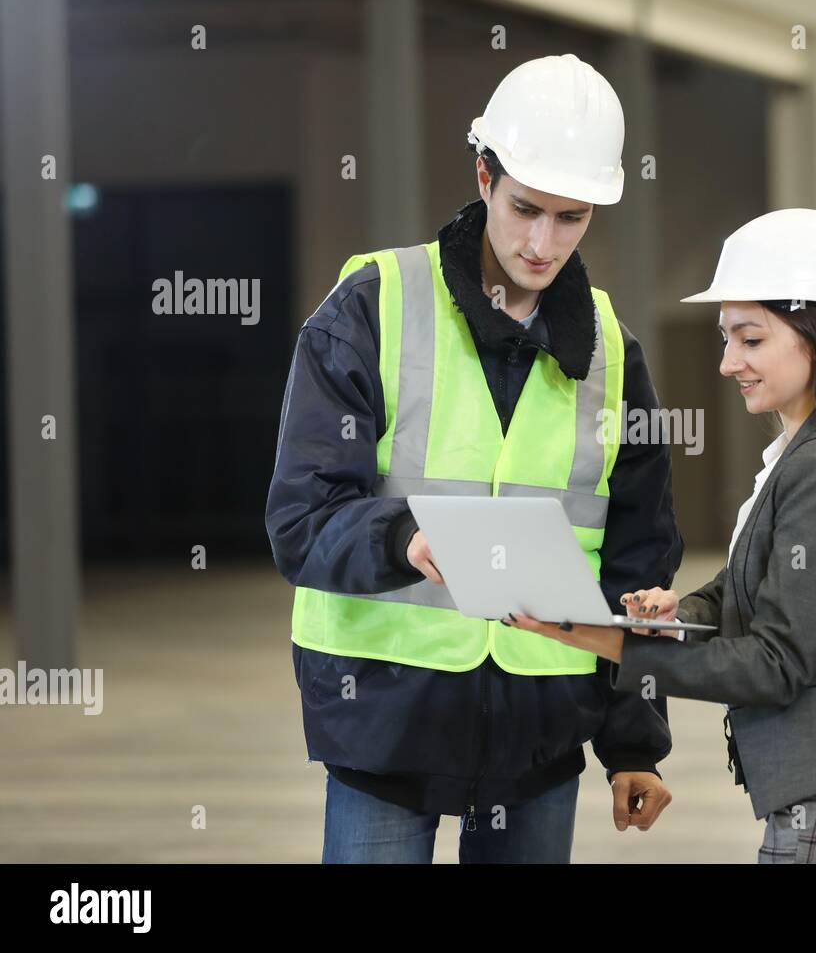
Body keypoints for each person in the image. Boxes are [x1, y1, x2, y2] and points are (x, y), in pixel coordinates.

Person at [265, 54, 681, 863]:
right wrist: (403, 541)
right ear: (484, 174)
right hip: (384, 718)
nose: (541, 242)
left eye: (572, 217)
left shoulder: (611, 351)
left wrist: (634, 740)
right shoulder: (373, 308)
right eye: (527, 208)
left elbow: (640, 557)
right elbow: (300, 519)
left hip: (541, 727)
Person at [510, 208, 816, 863]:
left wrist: (603, 642)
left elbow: (777, 664)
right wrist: (684, 611)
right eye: (726, 339)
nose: (728, 362)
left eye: (751, 340)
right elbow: (762, 589)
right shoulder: (803, 457)